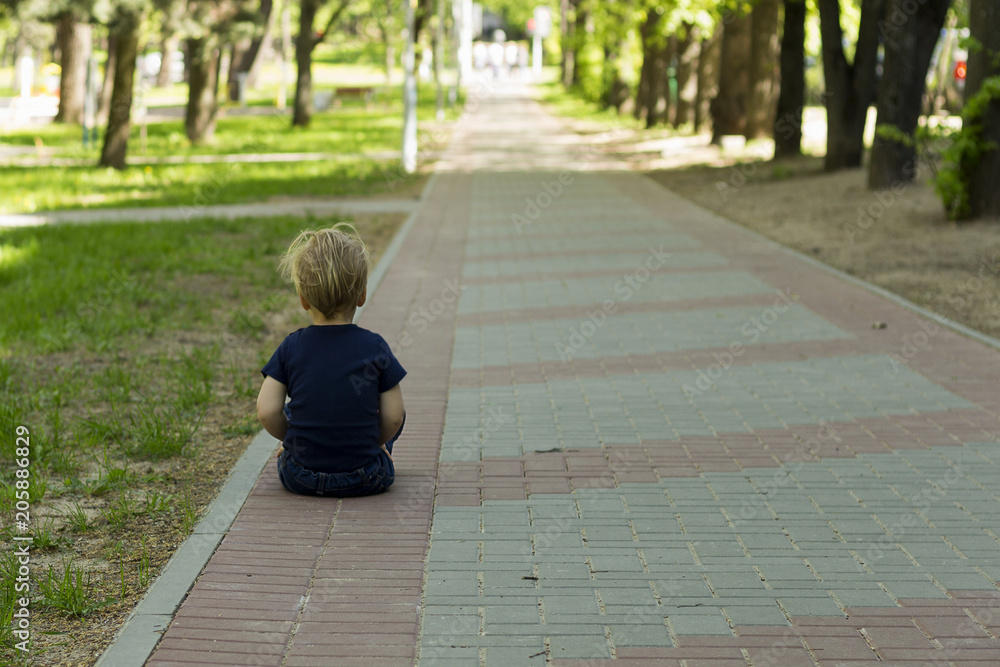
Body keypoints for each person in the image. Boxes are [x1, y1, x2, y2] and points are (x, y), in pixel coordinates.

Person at [257, 224, 406, 497]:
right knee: (387, 407)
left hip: (300, 475)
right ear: (361, 295)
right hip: (368, 475)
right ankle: (369, 450)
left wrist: (292, 442)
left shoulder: (291, 346)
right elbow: (394, 417)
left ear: (303, 299)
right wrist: (375, 444)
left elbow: (267, 411)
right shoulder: (375, 346)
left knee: (294, 410)